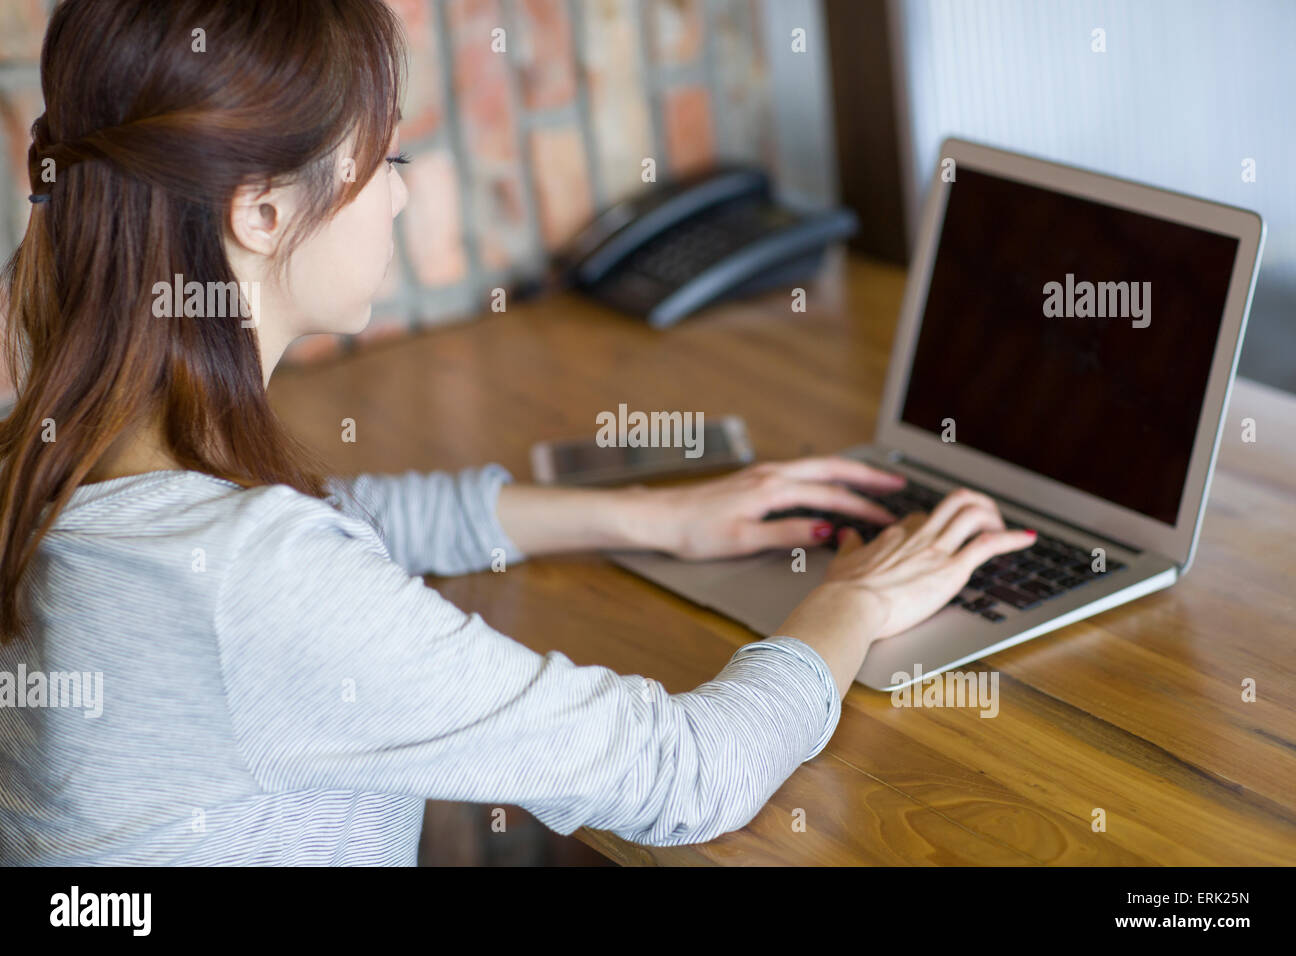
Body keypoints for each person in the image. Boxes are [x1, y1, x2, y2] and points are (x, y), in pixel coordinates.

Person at [0, 0, 1034, 865]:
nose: (402, 189)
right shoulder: (252, 580)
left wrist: (653, 515)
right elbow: (686, 773)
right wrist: (853, 599)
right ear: (262, 214)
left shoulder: (60, 446)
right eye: (384, 156)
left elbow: (336, 521)